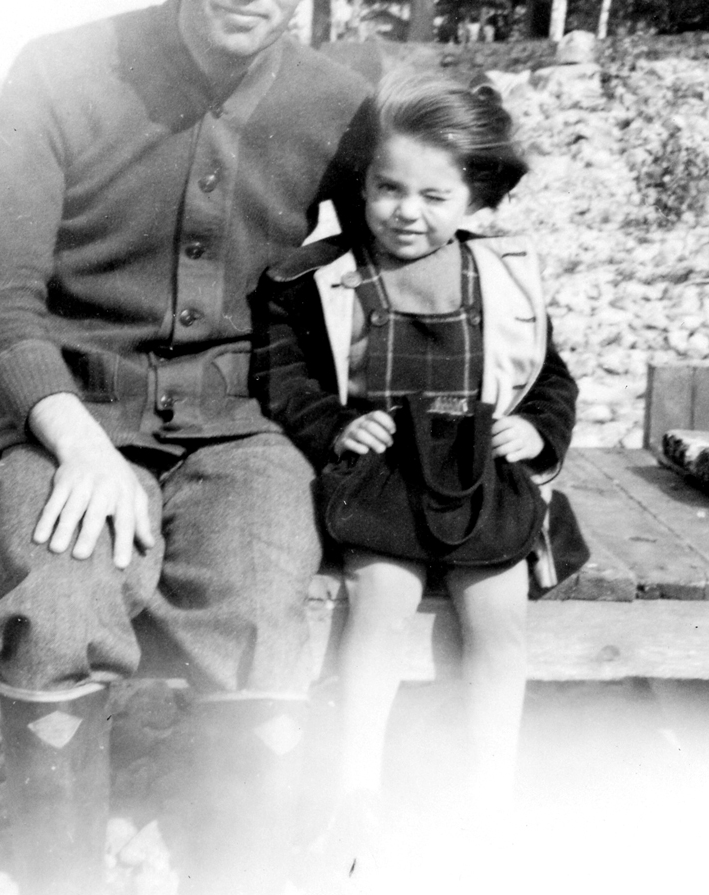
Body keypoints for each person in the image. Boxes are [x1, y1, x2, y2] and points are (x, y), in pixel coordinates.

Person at [0, 0, 373, 895]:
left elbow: (419, 254)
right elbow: (2, 303)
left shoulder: (336, 106)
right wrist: (80, 446)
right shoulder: (58, 71)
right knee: (58, 605)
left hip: (247, 433)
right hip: (70, 424)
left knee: (259, 610)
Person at [250, 70, 579, 872]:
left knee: (498, 614)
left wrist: (535, 434)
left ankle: (488, 791)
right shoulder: (321, 278)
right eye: (387, 188)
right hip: (385, 472)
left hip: (478, 468)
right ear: (360, 183)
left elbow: (551, 378)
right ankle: (356, 787)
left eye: (435, 196)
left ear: (478, 197)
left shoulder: (503, 277)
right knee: (378, 597)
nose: (406, 211)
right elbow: (279, 372)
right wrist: (332, 426)